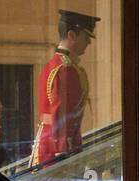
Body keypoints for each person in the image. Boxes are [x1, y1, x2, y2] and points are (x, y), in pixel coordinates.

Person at [30, 8, 99, 171]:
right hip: (57, 151)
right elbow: (61, 115)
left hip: (48, 145)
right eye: (86, 36)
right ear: (71, 35)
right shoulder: (66, 70)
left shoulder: (53, 65)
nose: (88, 43)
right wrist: (63, 155)